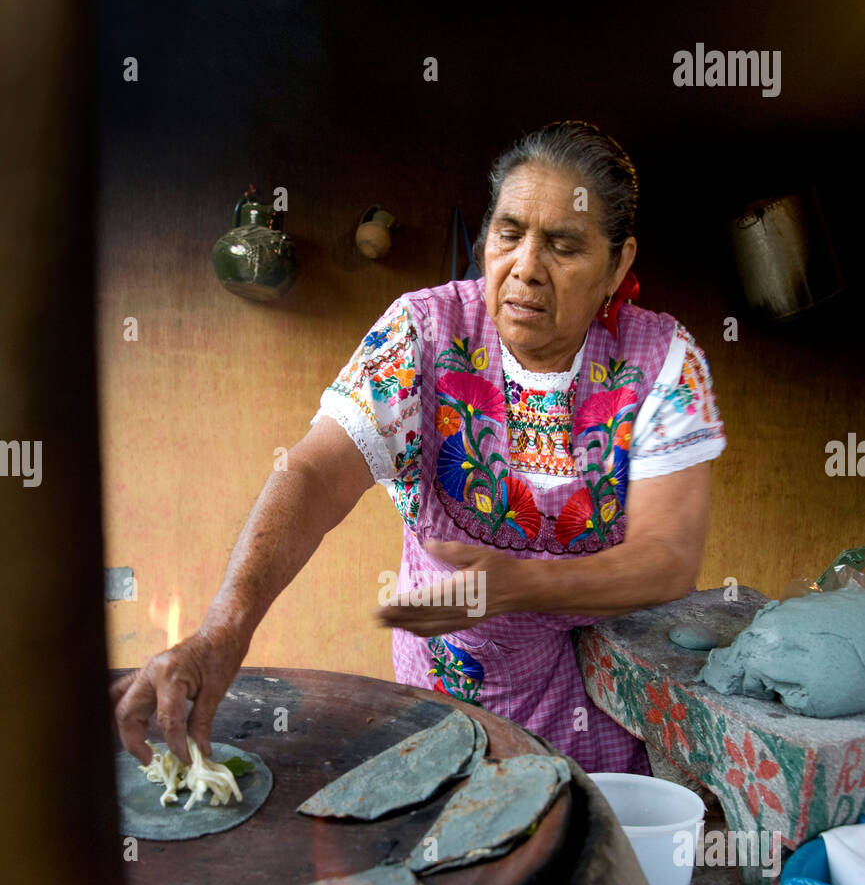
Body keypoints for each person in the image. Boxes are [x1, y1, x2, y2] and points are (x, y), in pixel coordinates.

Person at [112, 120, 726, 774]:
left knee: (572, 849)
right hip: (449, 700)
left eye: (563, 246)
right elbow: (315, 473)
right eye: (509, 233)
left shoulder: (660, 358)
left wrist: (523, 584)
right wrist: (222, 631)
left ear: (617, 264)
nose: (525, 268)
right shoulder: (424, 334)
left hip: (595, 712)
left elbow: (666, 559)